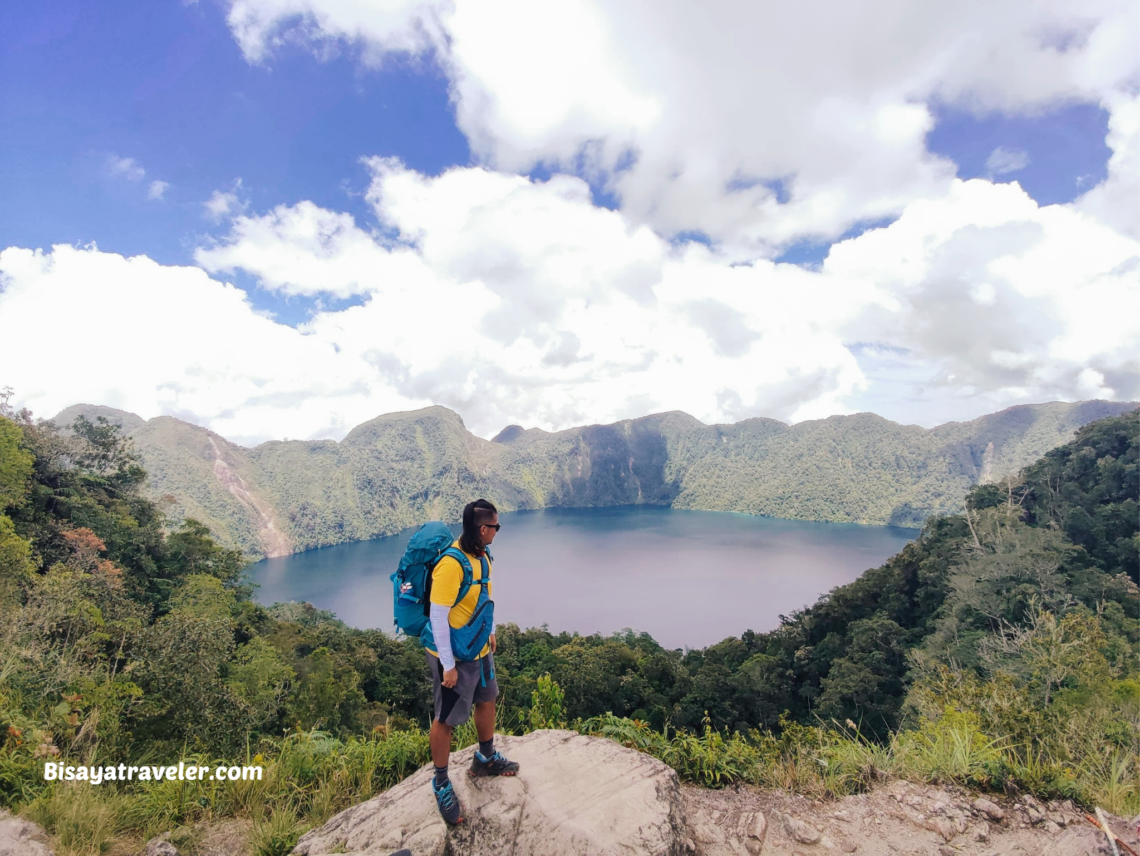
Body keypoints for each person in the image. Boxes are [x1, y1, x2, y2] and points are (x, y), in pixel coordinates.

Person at [427, 498, 519, 824]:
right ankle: (440, 781)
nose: (498, 531)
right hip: (452, 652)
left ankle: (485, 757)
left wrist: (490, 630)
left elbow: (485, 592)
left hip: (479, 646)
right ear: (483, 529)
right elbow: (438, 616)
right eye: (496, 526)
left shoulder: (483, 556)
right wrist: (448, 665)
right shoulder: (452, 564)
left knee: (487, 699)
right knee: (447, 718)